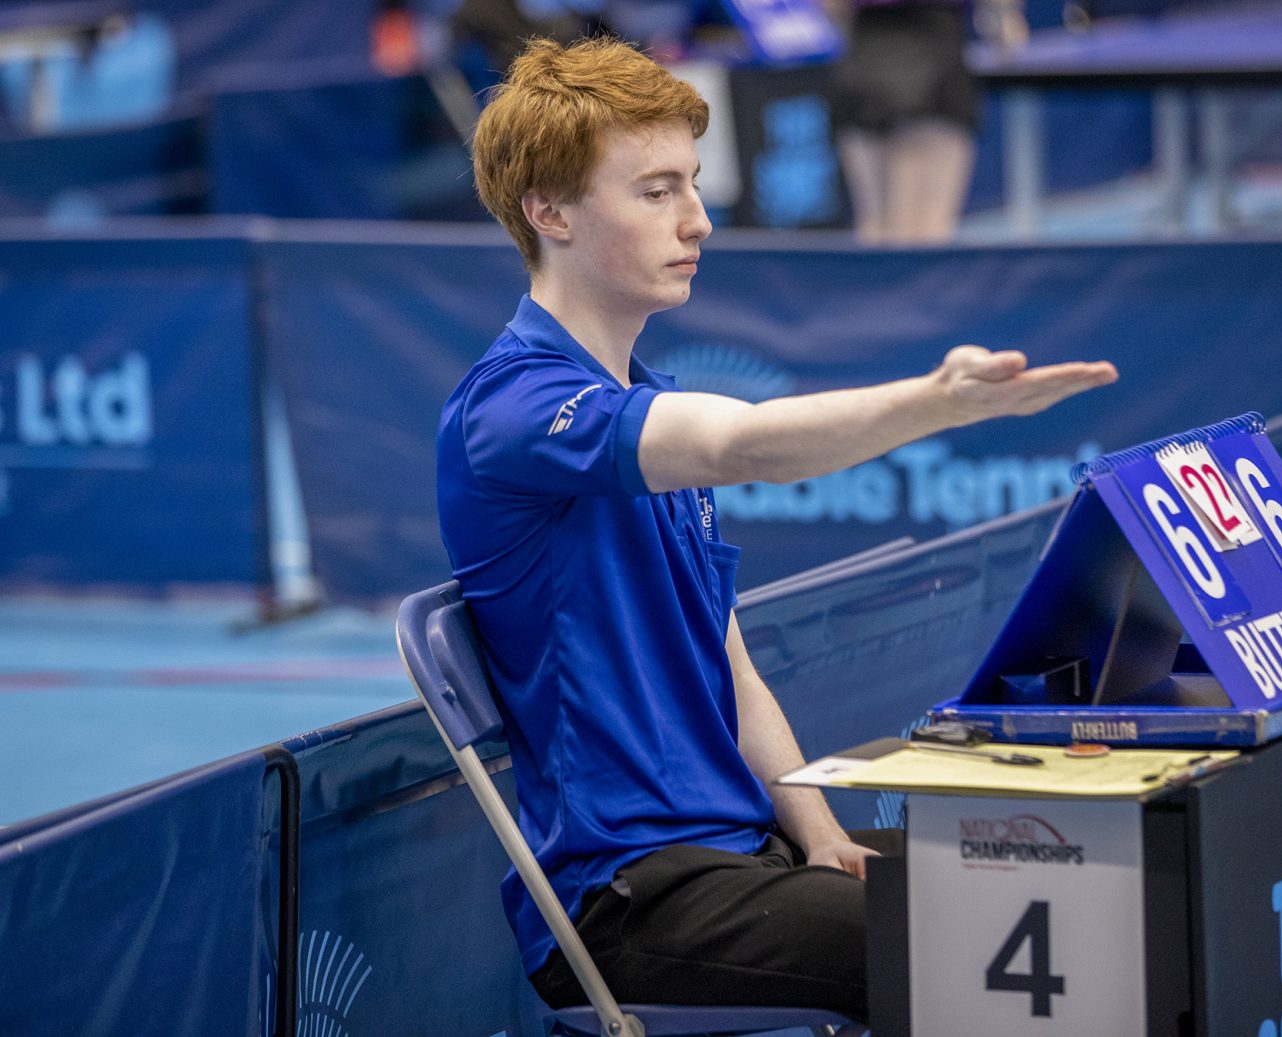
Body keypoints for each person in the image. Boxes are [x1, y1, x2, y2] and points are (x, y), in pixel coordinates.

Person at [437, 35, 1117, 1018]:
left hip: (748, 850)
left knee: (1062, 884)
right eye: (656, 191)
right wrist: (940, 401)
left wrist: (819, 831)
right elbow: (746, 443)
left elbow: (731, 664)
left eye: (693, 184)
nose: (699, 220)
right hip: (629, 892)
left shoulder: (643, 401)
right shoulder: (511, 409)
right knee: (978, 942)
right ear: (550, 213)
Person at [828, 0, 1028, 243]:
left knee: (874, 226)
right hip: (933, 63)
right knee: (924, 232)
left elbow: (831, 7)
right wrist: (1004, 27)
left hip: (860, 66)